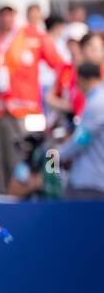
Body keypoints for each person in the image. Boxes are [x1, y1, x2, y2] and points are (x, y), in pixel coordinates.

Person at [0, 4, 67, 195]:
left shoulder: (34, 37)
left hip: (26, 113)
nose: (6, 17)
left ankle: (32, 202)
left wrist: (55, 99)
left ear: (16, 14)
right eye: (2, 13)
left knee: (28, 162)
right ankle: (1, 206)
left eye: (10, 13)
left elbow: (61, 66)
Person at [60, 62, 104, 200]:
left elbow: (82, 139)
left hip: (90, 182)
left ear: (83, 80)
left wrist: (56, 154)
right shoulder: (96, 99)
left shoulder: (97, 102)